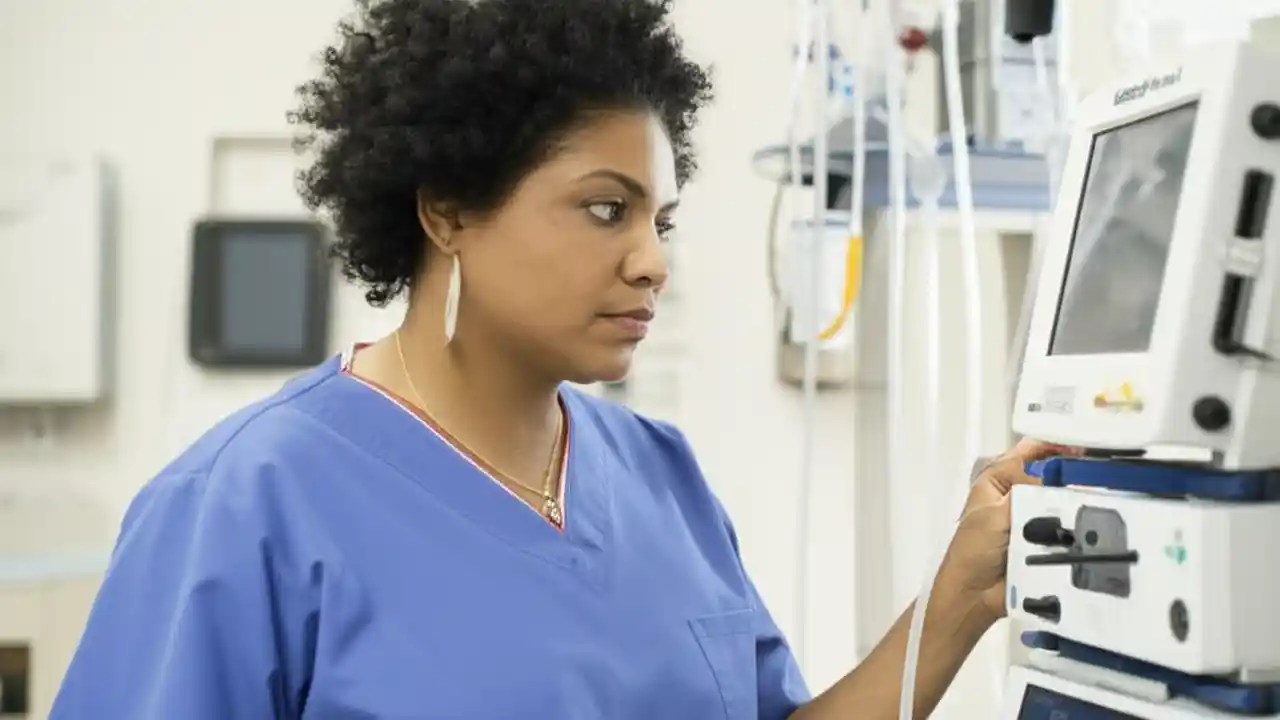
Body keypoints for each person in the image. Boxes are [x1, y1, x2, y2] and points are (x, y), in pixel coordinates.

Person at [51, 1, 1066, 717]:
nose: (651, 260)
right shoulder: (248, 502)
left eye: (661, 218)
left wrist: (960, 591)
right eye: (602, 209)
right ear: (446, 209)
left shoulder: (659, 479)